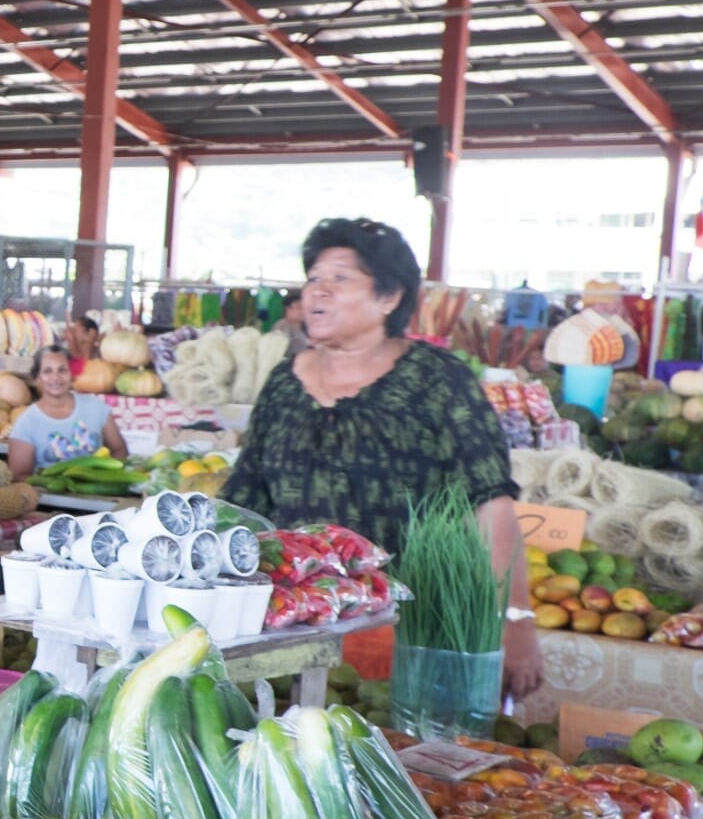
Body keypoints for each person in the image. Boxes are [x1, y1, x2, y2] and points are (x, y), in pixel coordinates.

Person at [223, 218, 537, 696]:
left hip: (414, 630)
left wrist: (515, 620)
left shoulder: (438, 380)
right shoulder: (284, 383)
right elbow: (246, 500)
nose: (318, 291)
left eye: (340, 278)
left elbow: (489, 506)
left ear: (389, 298)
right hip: (289, 628)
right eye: (313, 278)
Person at [6, 345, 128, 478]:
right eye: (47, 371)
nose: (55, 377)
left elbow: (119, 450)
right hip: (48, 491)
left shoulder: (95, 406)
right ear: (37, 378)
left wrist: (107, 479)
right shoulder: (26, 422)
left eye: (62, 370)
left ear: (72, 374)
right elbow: (19, 475)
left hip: (95, 489)